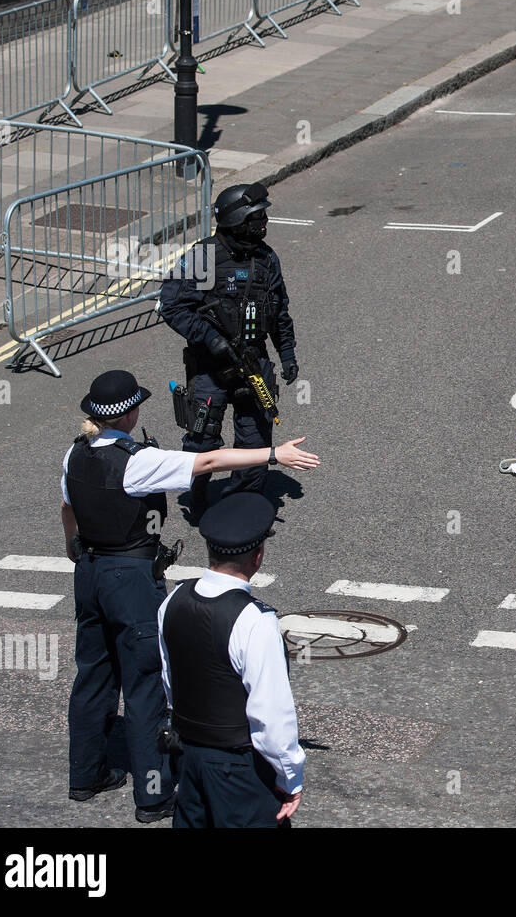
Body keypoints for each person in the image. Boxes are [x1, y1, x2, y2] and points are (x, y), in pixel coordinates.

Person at [61, 370, 319, 822]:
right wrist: (274, 453)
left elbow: (67, 507)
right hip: (130, 576)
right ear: (129, 411)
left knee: (93, 675)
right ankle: (153, 795)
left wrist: (74, 549)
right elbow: (208, 462)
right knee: (143, 687)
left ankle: (85, 775)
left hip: (90, 573)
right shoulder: (136, 461)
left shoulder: (75, 453)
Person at [158, 493, 305, 828]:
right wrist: (290, 776)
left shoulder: (173, 599)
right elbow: (270, 715)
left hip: (189, 756)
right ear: (257, 556)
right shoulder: (255, 620)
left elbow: (170, 681)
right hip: (239, 770)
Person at [158, 181, 300, 519]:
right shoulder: (204, 257)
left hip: (254, 364)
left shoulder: (266, 259)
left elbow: (279, 310)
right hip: (210, 366)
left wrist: (288, 353)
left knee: (256, 442)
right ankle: (200, 499)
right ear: (238, 220)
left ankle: (242, 506)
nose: (264, 222)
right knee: (202, 439)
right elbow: (172, 307)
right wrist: (212, 339)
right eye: (257, 217)